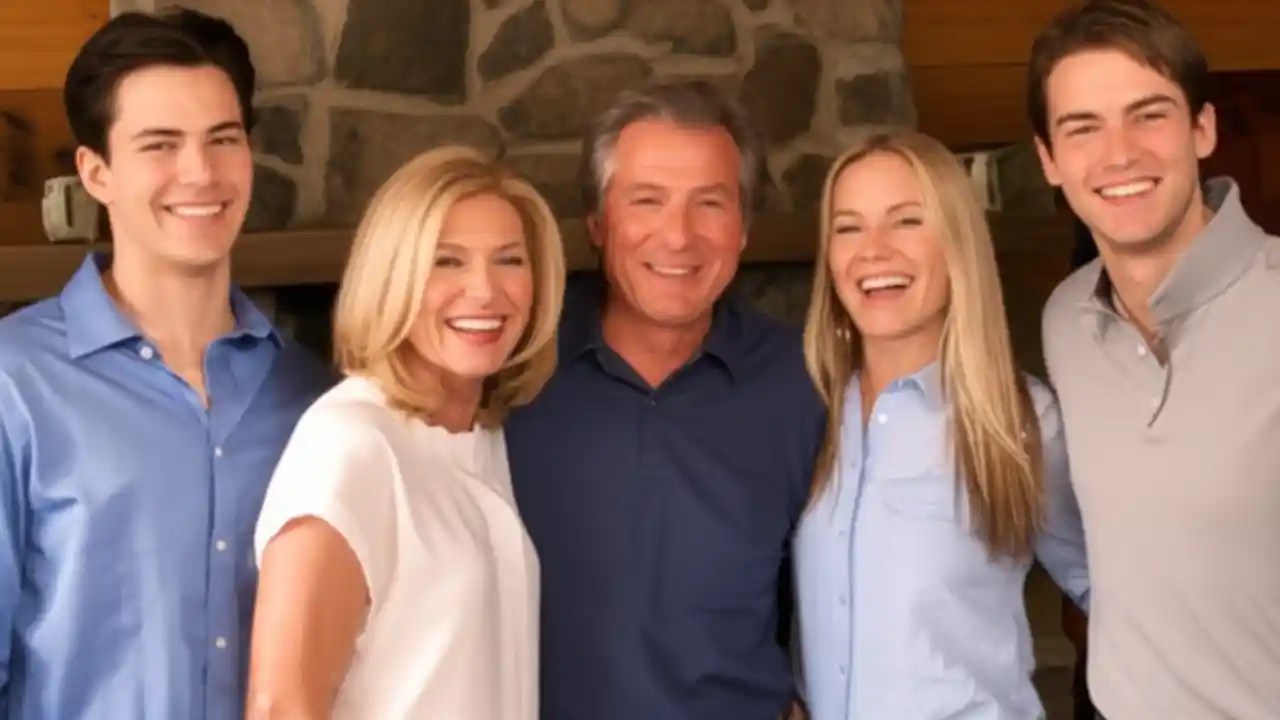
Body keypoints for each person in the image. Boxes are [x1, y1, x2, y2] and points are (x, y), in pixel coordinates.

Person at [0, 8, 332, 718]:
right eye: (160, 144)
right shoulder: (13, 385)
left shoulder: (313, 398)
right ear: (96, 172)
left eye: (223, 139)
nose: (199, 173)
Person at [503, 80, 826, 720]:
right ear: (598, 223)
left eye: (710, 203)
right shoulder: (512, 371)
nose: (678, 237)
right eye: (646, 201)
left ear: (744, 229)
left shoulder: (807, 380)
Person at [245, 146, 566, 719]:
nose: (485, 291)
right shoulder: (350, 446)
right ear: (393, 276)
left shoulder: (480, 440)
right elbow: (281, 708)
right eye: (447, 261)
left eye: (509, 260)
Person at [1030, 1, 1280, 716]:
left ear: (1202, 128)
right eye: (1082, 128)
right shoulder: (1066, 320)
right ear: (1049, 159)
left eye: (1149, 114)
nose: (1119, 155)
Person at [791, 129, 1090, 719]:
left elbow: (1118, 601)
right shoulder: (809, 411)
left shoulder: (1023, 421)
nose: (873, 250)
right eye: (848, 226)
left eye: (906, 221)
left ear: (957, 241)